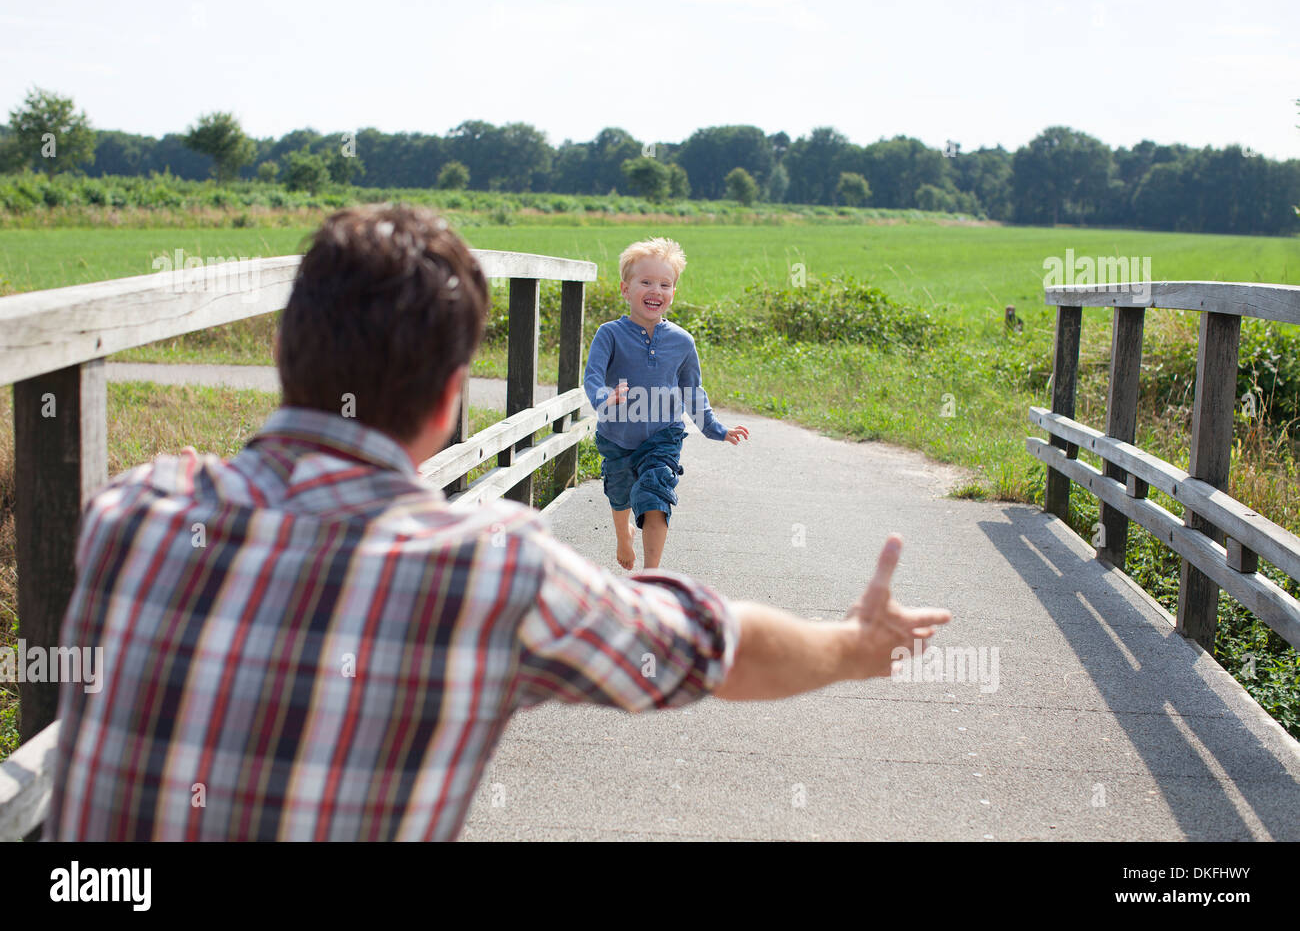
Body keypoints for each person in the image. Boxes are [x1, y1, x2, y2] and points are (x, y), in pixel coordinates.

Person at [43, 205, 951, 841]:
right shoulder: (486, 570)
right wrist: (853, 648)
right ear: (449, 400)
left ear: (283, 352)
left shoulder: (133, 511)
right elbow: (721, 648)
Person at [583, 237, 748, 570]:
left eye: (664, 284)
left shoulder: (682, 342)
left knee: (655, 496)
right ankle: (622, 534)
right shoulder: (609, 334)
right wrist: (604, 397)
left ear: (673, 292)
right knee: (620, 493)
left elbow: (692, 390)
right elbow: (593, 377)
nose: (655, 290)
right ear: (625, 289)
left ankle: (652, 574)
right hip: (617, 437)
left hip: (664, 437)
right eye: (645, 282)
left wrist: (716, 429)